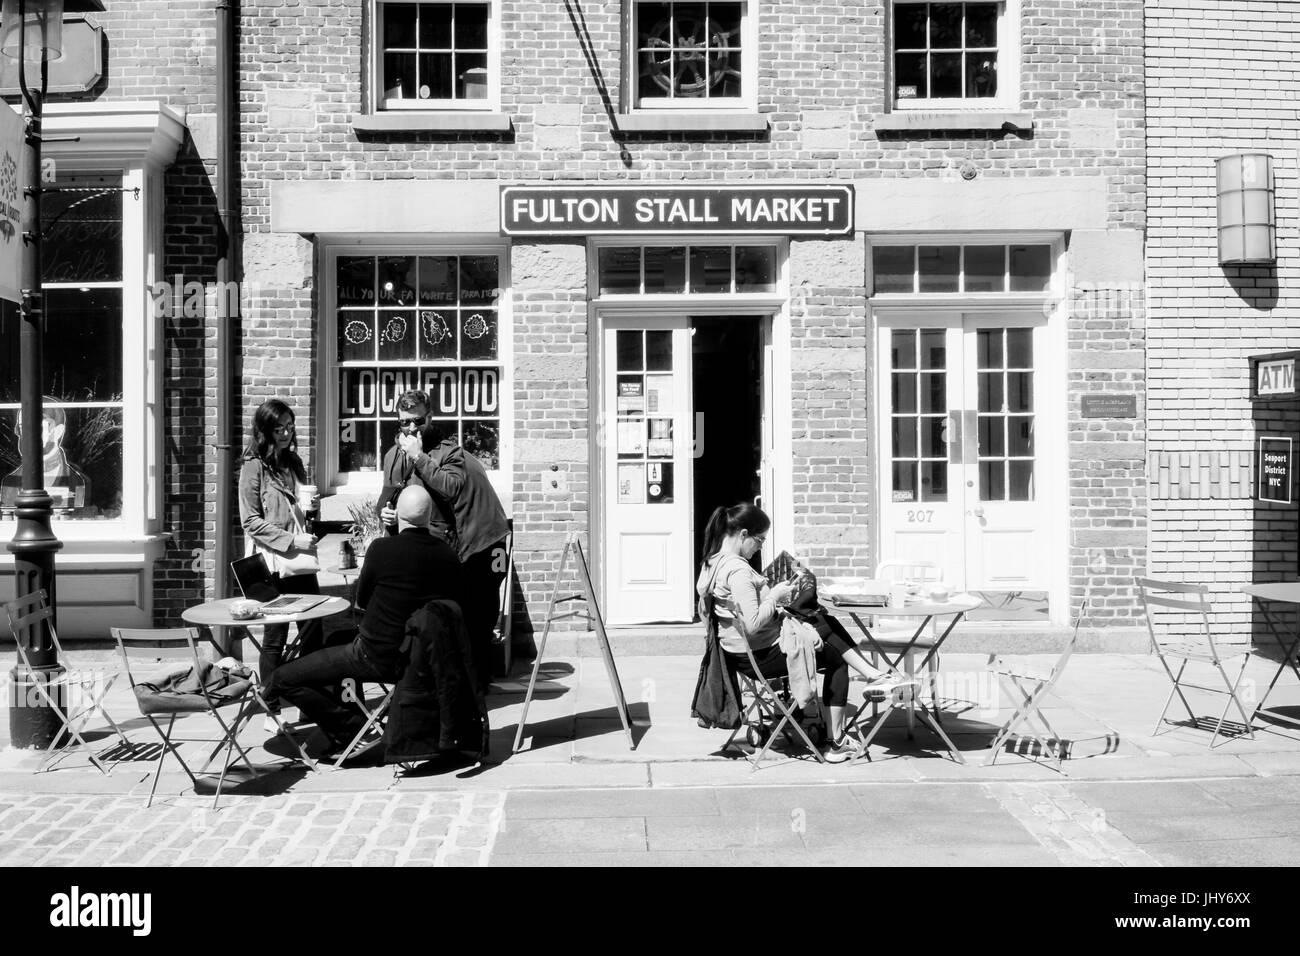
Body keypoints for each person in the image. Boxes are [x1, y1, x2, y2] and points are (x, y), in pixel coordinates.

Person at [268, 486, 465, 761]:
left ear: (396, 515)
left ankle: (348, 728)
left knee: (282, 679)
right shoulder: (448, 555)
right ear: (430, 516)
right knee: (336, 638)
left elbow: (361, 600)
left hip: (376, 655)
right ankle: (352, 718)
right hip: (423, 658)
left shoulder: (382, 549)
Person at [696, 503, 895, 763]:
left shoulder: (711, 563)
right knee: (835, 656)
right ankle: (835, 742)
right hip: (758, 655)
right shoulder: (738, 570)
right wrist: (775, 596)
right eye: (759, 540)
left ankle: (874, 675)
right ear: (743, 534)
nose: (760, 547)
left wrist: (774, 600)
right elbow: (753, 622)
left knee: (822, 621)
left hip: (737, 653)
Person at [379, 389, 509, 693]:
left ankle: (475, 689)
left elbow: (449, 487)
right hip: (440, 543)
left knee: (474, 616)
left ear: (430, 417)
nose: (410, 429)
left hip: (481, 541)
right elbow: (388, 497)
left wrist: (417, 456)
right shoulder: (392, 455)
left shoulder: (449, 452)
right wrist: (386, 513)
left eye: (417, 421)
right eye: (403, 423)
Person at [237, 398, 322, 729]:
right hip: (274, 563)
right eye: (279, 427)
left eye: (290, 426)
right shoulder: (253, 467)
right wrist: (291, 540)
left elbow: (299, 512)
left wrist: (311, 508)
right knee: (275, 636)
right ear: (264, 430)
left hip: (299, 561)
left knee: (313, 629)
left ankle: (310, 701)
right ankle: (271, 708)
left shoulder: (294, 462)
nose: (286, 433)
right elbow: (250, 521)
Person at [1, 399, 92, 514]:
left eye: (37, 428)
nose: (26, 434)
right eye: (22, 426)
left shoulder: (78, 482)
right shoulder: (10, 482)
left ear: (58, 431)